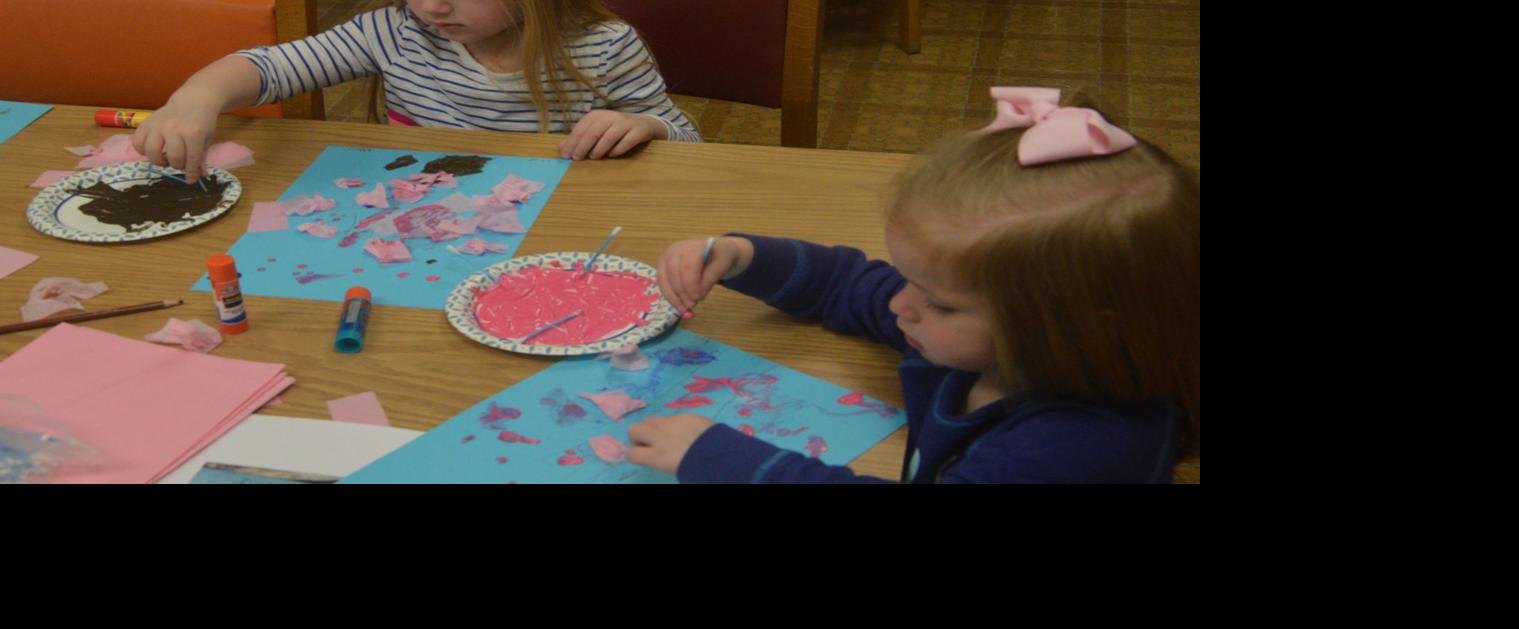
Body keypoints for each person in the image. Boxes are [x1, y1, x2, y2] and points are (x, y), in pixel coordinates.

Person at [632, 87, 1200, 483]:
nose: (900, 304)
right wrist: (744, 256)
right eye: (910, 279)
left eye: (939, 302)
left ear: (1068, 327)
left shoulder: (1076, 448)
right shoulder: (995, 337)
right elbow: (847, 283)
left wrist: (724, 460)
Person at [133, 0, 699, 181]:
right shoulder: (393, 30)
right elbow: (271, 69)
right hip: (424, 219)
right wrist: (194, 100)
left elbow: (686, 137)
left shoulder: (602, 45)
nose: (432, 6)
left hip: (560, 220)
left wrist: (646, 126)